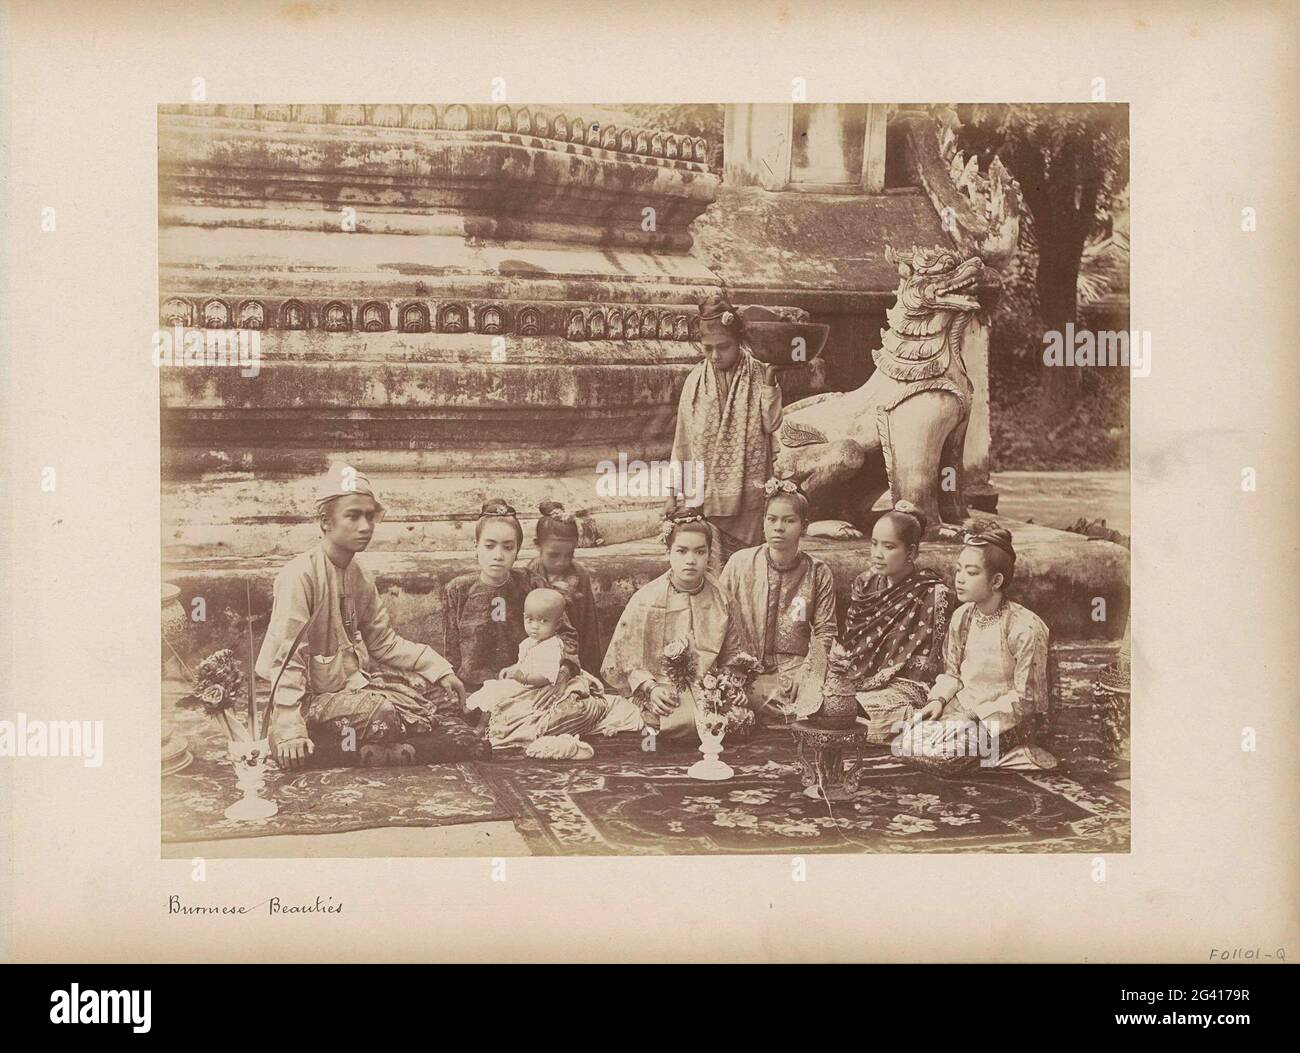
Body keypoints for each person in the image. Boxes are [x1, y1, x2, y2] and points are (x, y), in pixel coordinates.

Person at [255, 465, 473, 770]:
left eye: (370, 516)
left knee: (443, 696)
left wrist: (439, 669)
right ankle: (295, 742)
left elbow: (384, 642)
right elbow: (287, 659)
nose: (365, 526)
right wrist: (290, 727)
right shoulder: (300, 575)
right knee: (382, 714)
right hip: (307, 699)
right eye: (353, 516)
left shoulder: (359, 575)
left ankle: (361, 747)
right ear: (325, 522)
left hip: (353, 688)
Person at [899, 523, 1056, 772]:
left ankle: (1017, 752)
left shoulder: (1024, 627)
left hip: (1007, 719)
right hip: (963, 709)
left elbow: (1025, 700)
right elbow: (952, 674)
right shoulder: (962, 616)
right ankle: (988, 755)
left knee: (945, 757)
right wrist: (938, 700)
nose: (959, 578)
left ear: (996, 580)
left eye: (971, 572)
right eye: (958, 569)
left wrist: (973, 717)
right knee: (905, 741)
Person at [663, 294, 783, 575]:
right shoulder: (695, 382)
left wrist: (770, 379)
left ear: (738, 341)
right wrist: (672, 493)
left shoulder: (758, 373)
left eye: (723, 347)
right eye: (708, 349)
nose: (715, 356)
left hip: (749, 495)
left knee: (748, 571)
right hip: (706, 497)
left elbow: (772, 424)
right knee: (714, 573)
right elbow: (682, 442)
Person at [601, 510, 745, 742]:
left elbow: (733, 653)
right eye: (682, 551)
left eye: (700, 551)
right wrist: (650, 688)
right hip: (663, 686)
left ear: (709, 554)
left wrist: (731, 684)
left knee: (740, 717)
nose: (691, 560)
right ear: (668, 552)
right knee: (679, 721)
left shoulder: (722, 598)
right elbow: (627, 658)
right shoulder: (646, 599)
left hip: (709, 686)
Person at [821, 501, 954, 743]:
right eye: (874, 544)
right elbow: (852, 645)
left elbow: (929, 666)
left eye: (889, 546)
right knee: (827, 704)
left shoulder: (933, 593)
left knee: (860, 716)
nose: (877, 553)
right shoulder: (865, 583)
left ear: (911, 552)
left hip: (904, 686)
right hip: (857, 679)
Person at [718, 479, 836, 724]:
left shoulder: (818, 572)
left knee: (825, 699)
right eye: (771, 519)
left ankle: (766, 710)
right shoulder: (740, 563)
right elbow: (718, 617)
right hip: (745, 667)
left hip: (794, 670)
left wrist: (808, 672)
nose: (778, 528)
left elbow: (825, 631)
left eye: (789, 520)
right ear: (763, 522)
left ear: (804, 526)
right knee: (724, 695)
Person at [526, 500, 603, 675]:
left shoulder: (580, 574)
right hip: (537, 658)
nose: (561, 562)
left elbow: (588, 625)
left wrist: (589, 668)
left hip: (572, 656)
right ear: (538, 545)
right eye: (553, 555)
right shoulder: (530, 575)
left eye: (569, 555)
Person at [465, 588, 568, 715]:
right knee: (493, 689)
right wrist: (513, 669)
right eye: (530, 619)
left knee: (496, 692)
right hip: (524, 683)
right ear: (524, 617)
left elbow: (546, 677)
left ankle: (479, 720)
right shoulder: (530, 641)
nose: (535, 626)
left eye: (543, 621)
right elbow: (524, 663)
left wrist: (522, 677)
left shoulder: (551, 647)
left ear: (557, 624)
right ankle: (470, 710)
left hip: (533, 688)